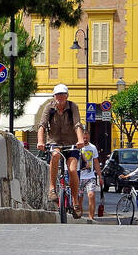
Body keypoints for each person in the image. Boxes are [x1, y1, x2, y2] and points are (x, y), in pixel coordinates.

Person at [37, 84, 81, 216]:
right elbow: (42, 125)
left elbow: (78, 124)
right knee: (55, 155)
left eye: (63, 94)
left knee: (72, 169)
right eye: (58, 94)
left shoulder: (73, 107)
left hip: (71, 143)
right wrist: (40, 141)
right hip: (54, 142)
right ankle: (52, 188)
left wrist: (79, 140)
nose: (60, 97)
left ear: (67, 96)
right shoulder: (49, 107)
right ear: (54, 96)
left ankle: (75, 201)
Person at [76, 127, 101, 223]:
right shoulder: (77, 147)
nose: (85, 139)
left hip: (90, 176)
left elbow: (96, 162)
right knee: (79, 198)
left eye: (87, 137)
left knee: (91, 195)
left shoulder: (93, 148)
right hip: (79, 177)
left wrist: (100, 176)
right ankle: (80, 216)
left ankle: (91, 217)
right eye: (84, 137)